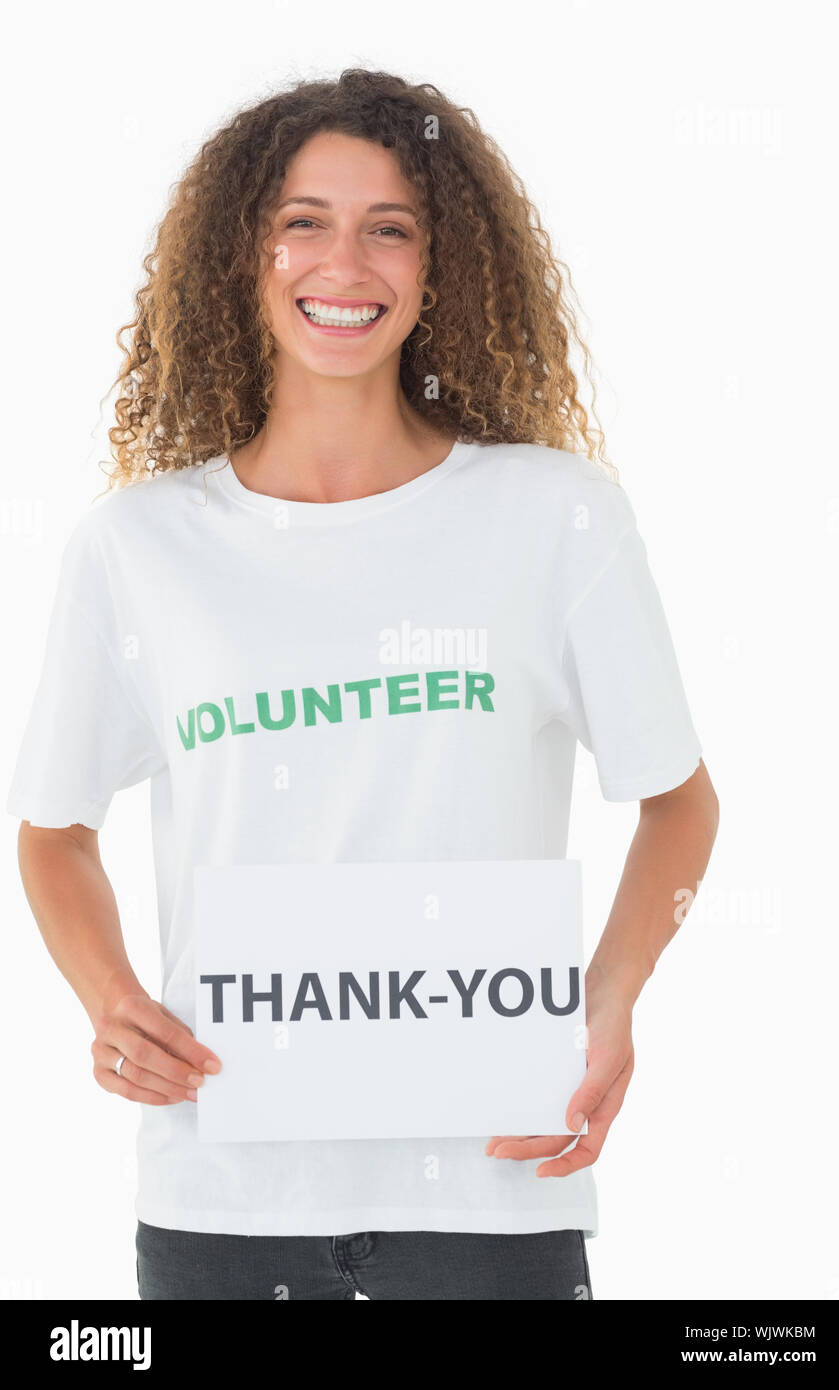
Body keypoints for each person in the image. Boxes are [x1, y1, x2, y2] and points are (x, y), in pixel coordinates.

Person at [7, 69, 719, 1301]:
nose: (346, 261)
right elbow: (54, 828)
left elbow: (678, 802)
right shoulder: (135, 548)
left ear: (440, 267)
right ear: (243, 255)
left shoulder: (553, 519)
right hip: (219, 1205)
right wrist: (110, 995)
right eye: (303, 220)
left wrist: (607, 999)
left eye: (389, 226)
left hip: (496, 1197)